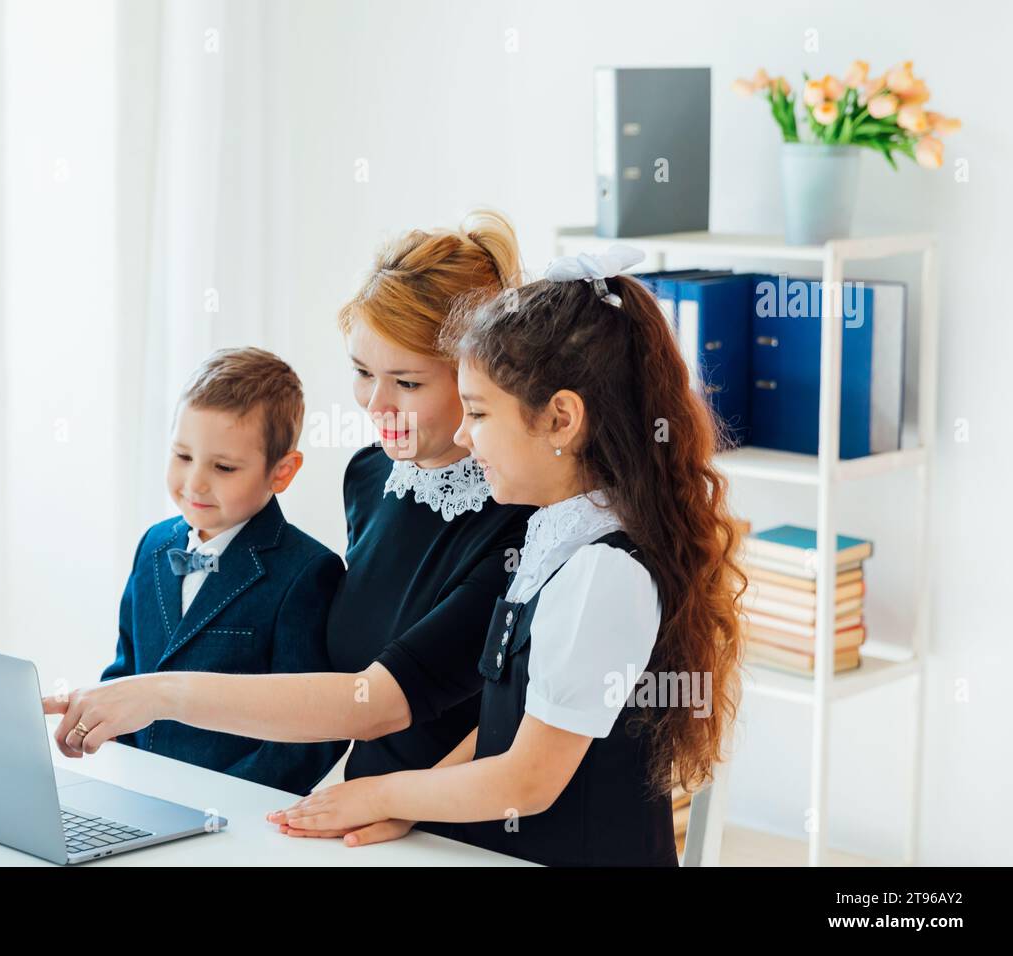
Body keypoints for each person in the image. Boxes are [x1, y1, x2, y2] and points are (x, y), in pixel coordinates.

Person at [44, 211, 533, 846]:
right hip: (361, 810)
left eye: (407, 382)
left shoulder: (519, 514)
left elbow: (400, 699)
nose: (375, 406)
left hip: (461, 823)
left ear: (474, 377)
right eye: (361, 372)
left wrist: (407, 802)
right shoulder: (371, 477)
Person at [270, 246, 747, 864]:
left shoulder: (603, 573)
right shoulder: (559, 541)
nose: (464, 436)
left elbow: (527, 779)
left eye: (478, 412)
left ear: (560, 420)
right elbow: (511, 724)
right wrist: (402, 802)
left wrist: (377, 792)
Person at [97, 347, 345, 796]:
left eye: (224, 467)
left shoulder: (308, 571)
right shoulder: (154, 544)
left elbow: (311, 737)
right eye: (183, 456)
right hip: (136, 794)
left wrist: (223, 805)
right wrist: (101, 740)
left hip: (234, 814)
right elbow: (126, 671)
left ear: (282, 472)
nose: (194, 483)